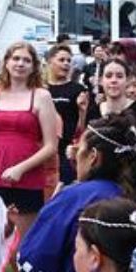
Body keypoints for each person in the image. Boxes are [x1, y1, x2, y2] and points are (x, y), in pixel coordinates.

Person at [15, 114, 136, 272]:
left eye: (78, 148)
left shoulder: (72, 197)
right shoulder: (133, 202)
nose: (74, 154)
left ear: (93, 156)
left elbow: (34, 256)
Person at [0, 40, 60, 272]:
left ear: (34, 66)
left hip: (26, 179)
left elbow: (50, 146)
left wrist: (22, 168)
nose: (20, 64)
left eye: (26, 60)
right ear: (7, 62)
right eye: (16, 58)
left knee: (22, 250)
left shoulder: (41, 96)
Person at [94, 57, 136, 193]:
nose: (113, 80)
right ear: (101, 81)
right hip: (99, 188)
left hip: (131, 189)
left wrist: (122, 172)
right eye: (108, 76)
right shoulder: (93, 110)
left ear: (127, 81)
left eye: (119, 76)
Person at [44, 43, 89, 186]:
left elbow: (83, 128)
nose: (66, 64)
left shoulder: (78, 89)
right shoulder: (40, 88)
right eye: (61, 60)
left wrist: (82, 110)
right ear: (50, 61)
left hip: (67, 150)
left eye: (69, 61)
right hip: (42, 148)